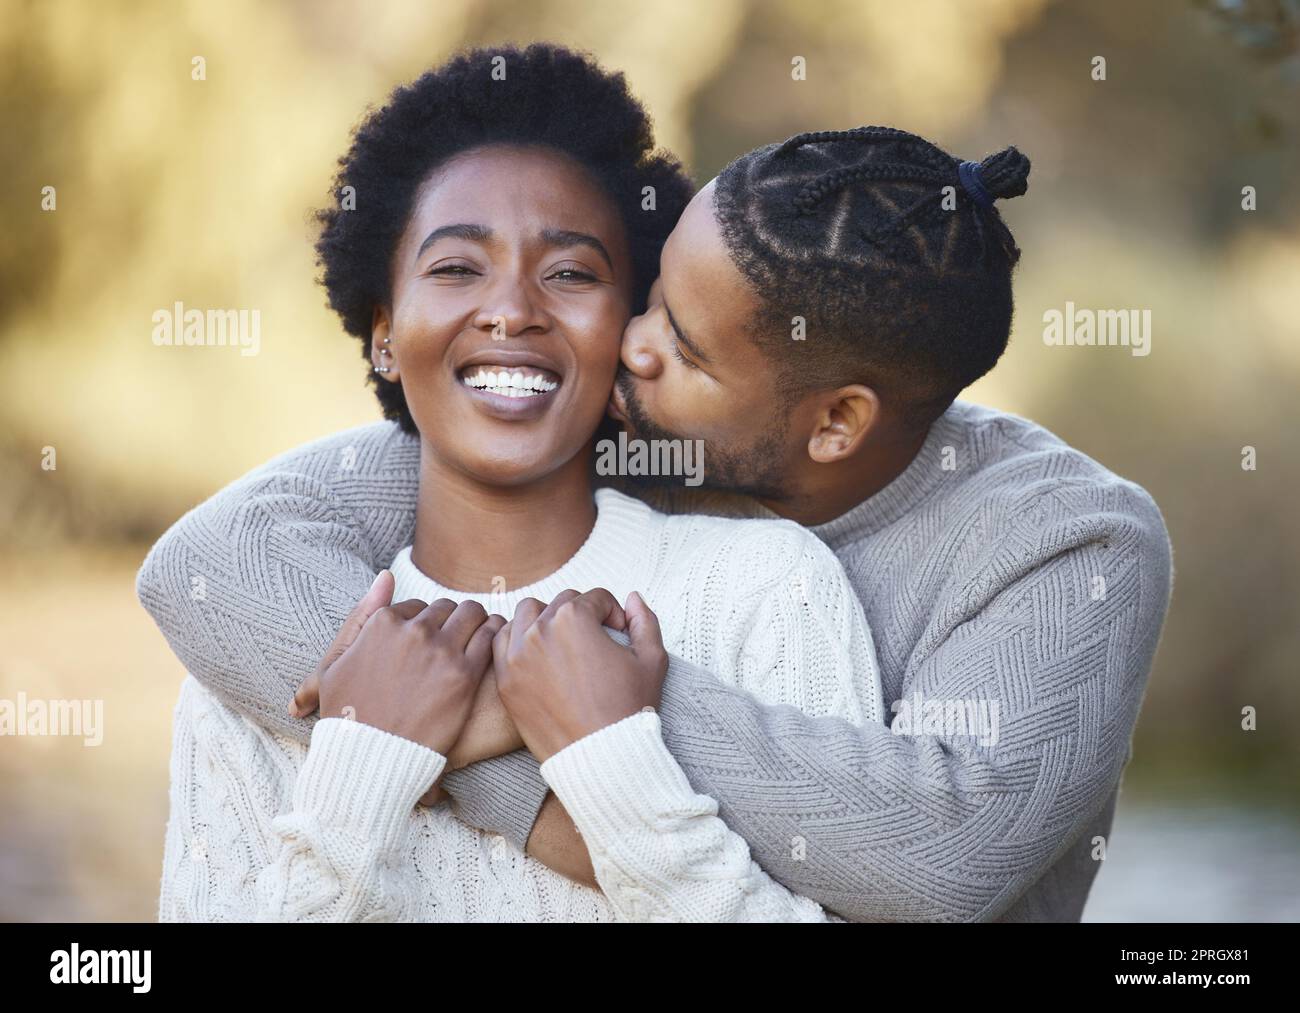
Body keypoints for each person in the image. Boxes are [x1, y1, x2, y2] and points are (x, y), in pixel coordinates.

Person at [139, 82, 1175, 922]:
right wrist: (519, 706)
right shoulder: (636, 427)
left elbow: (939, 862)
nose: (628, 341)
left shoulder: (1065, 542)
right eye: (647, 296)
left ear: (833, 422)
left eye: (679, 340)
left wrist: (570, 716)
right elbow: (216, 561)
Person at [151, 42, 885, 923]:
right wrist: (363, 765)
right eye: (457, 268)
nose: (513, 309)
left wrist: (611, 762)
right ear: (384, 331)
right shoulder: (256, 662)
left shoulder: (766, 591)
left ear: (630, 327)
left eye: (571, 273)